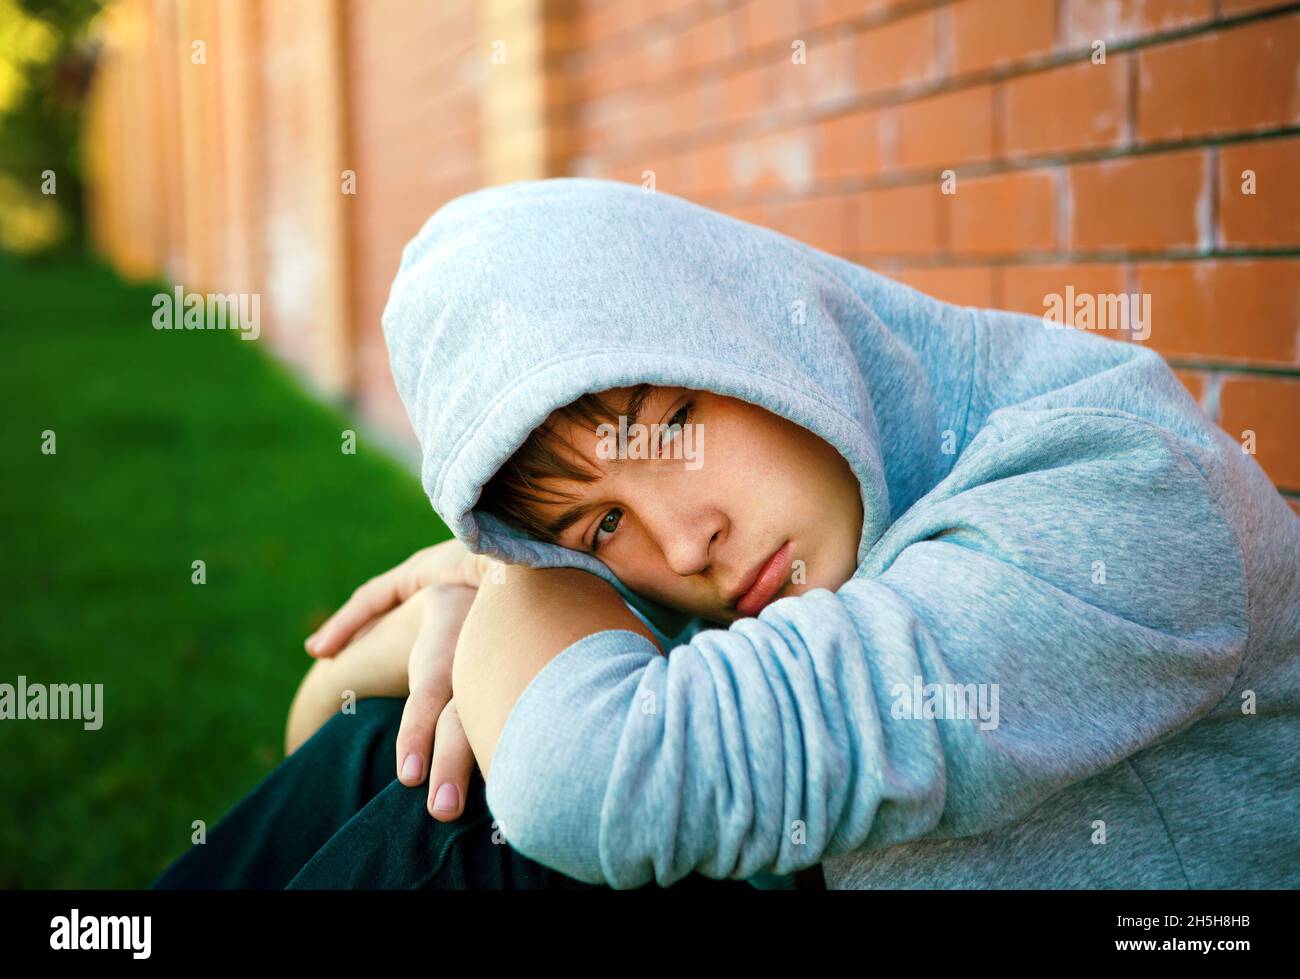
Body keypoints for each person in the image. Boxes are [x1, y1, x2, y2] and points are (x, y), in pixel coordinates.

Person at [167, 177, 1299, 890]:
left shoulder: (1115, 481)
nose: (686, 541)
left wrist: (506, 575)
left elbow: (595, 780)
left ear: (751, 329)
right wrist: (496, 601)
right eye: (600, 520)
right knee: (408, 754)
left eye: (671, 425)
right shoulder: (781, 548)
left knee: (498, 837)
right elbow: (324, 705)